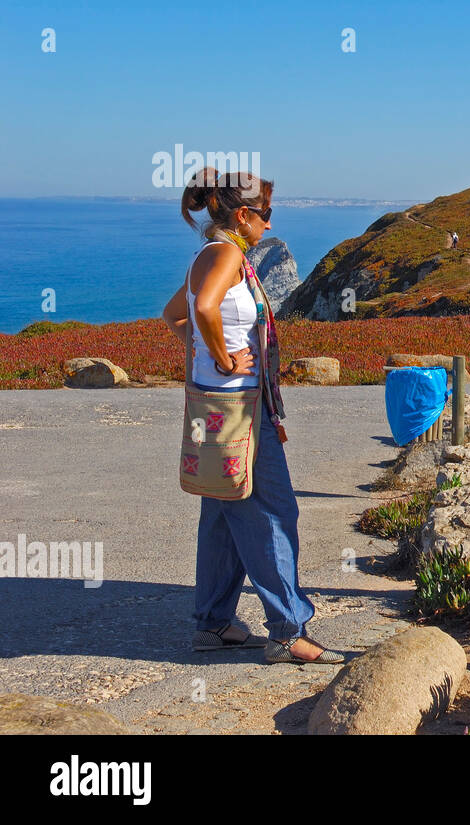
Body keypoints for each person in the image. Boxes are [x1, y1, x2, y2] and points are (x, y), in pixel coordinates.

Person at [162, 168, 343, 666]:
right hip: (237, 408)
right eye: (265, 215)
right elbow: (200, 309)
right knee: (272, 512)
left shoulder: (210, 254)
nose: (269, 224)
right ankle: (287, 631)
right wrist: (223, 358)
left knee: (223, 509)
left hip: (215, 406)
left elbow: (174, 315)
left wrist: (206, 355)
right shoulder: (225, 254)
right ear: (242, 215)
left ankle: (214, 623)